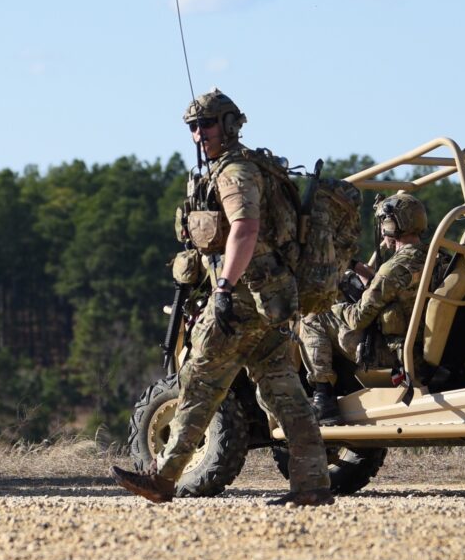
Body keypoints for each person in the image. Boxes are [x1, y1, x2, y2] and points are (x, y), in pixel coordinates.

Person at [111, 90, 333, 506]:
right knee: (284, 391)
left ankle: (163, 477)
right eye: (193, 127)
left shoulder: (234, 172)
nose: (199, 134)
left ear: (230, 124)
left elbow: (245, 228)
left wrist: (225, 288)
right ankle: (313, 485)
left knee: (199, 380)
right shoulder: (248, 166)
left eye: (207, 124)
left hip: (244, 297)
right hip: (273, 299)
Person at [296, 190, 430, 417]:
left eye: (383, 223)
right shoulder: (434, 256)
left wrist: (332, 304)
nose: (381, 230)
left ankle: (323, 397)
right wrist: (363, 272)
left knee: (313, 315)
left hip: (391, 353)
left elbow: (358, 318)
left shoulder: (393, 269)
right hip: (418, 347)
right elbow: (399, 293)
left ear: (393, 225)